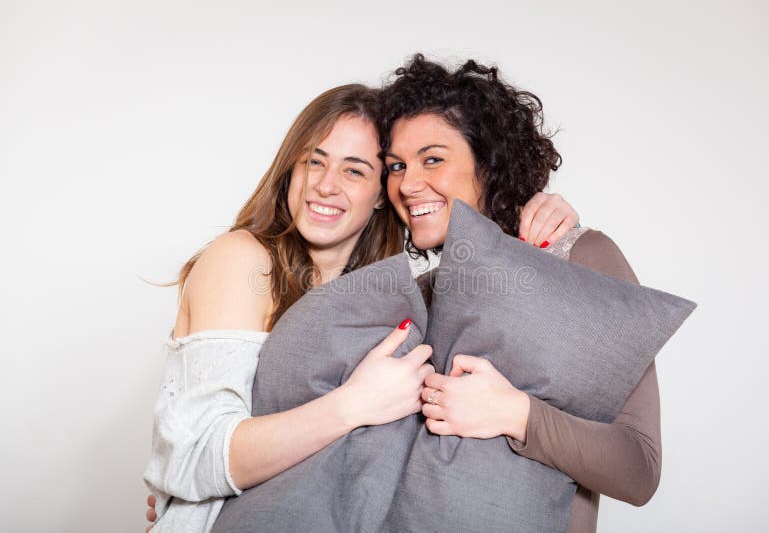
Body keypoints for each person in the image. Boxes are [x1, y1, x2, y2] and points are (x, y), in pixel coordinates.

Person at [143, 83, 579, 532]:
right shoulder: (244, 260)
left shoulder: (384, 295)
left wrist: (538, 206)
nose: (325, 185)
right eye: (314, 160)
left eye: (354, 171)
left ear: (380, 192)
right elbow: (193, 455)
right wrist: (354, 404)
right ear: (289, 169)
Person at [379, 54, 660, 533]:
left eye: (433, 159)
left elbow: (638, 469)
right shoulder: (415, 294)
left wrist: (516, 414)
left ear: (489, 164)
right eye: (396, 165)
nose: (407, 183)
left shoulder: (576, 256)